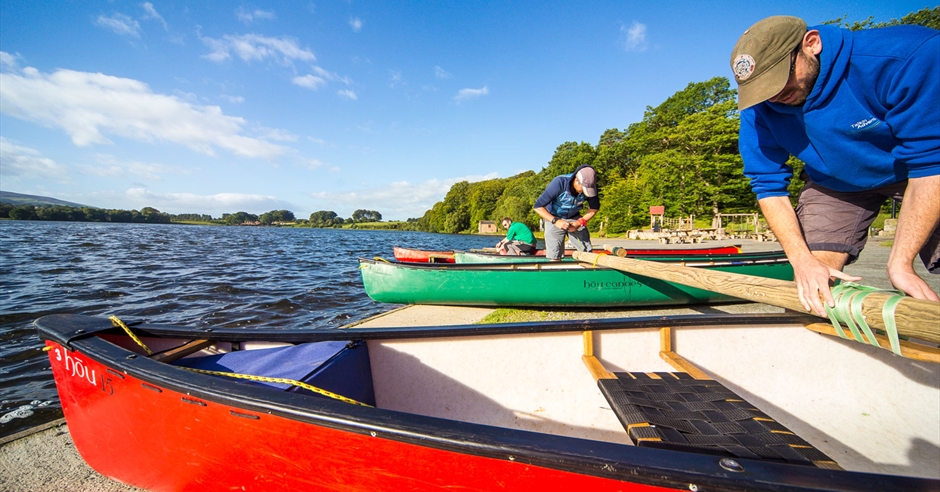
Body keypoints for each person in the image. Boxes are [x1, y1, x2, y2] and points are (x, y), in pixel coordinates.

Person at [729, 16, 940, 316]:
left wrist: (900, 263)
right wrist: (801, 260)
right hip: (833, 183)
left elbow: (931, 163)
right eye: (763, 88)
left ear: (811, 44)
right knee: (812, 289)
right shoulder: (761, 103)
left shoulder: (908, 55)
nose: (774, 95)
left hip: (918, 170)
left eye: (779, 78)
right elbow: (768, 185)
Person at [534, 165, 600, 261]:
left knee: (586, 251)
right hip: (553, 216)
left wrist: (579, 223)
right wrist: (555, 221)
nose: (584, 192)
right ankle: (555, 267)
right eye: (583, 189)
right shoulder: (559, 183)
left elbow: (594, 208)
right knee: (554, 255)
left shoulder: (591, 186)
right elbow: (538, 207)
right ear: (576, 180)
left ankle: (586, 267)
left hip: (575, 217)